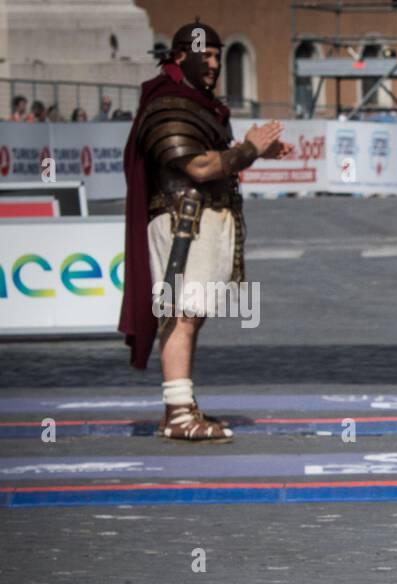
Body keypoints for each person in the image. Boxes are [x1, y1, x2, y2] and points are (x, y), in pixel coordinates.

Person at [117, 17, 286, 441]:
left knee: (193, 313)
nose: (212, 63)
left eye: (217, 55)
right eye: (204, 55)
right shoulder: (168, 105)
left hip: (196, 221)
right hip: (181, 223)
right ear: (179, 57)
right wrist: (248, 149)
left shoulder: (197, 105)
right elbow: (197, 165)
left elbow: (213, 157)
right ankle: (177, 412)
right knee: (182, 313)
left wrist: (253, 154)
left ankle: (181, 401)